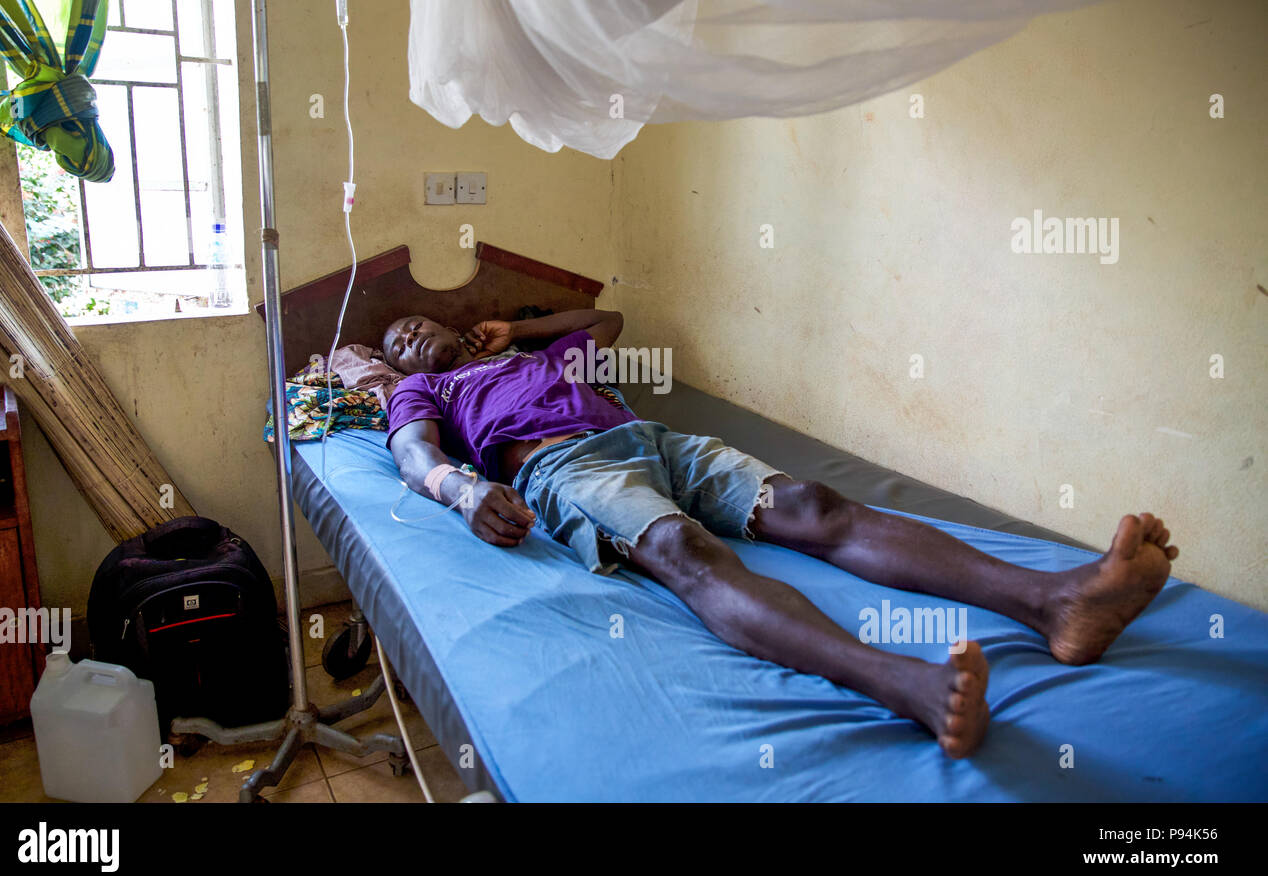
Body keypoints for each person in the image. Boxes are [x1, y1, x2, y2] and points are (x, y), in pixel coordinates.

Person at [383, 308, 1177, 758]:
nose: (411, 337)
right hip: (568, 470)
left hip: (655, 438)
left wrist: (511, 326)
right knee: (687, 553)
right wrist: (462, 489)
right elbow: (412, 453)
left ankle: (1054, 602)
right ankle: (907, 685)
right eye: (397, 340)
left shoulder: (532, 351)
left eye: (420, 325)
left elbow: (606, 318)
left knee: (817, 508)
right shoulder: (427, 387)